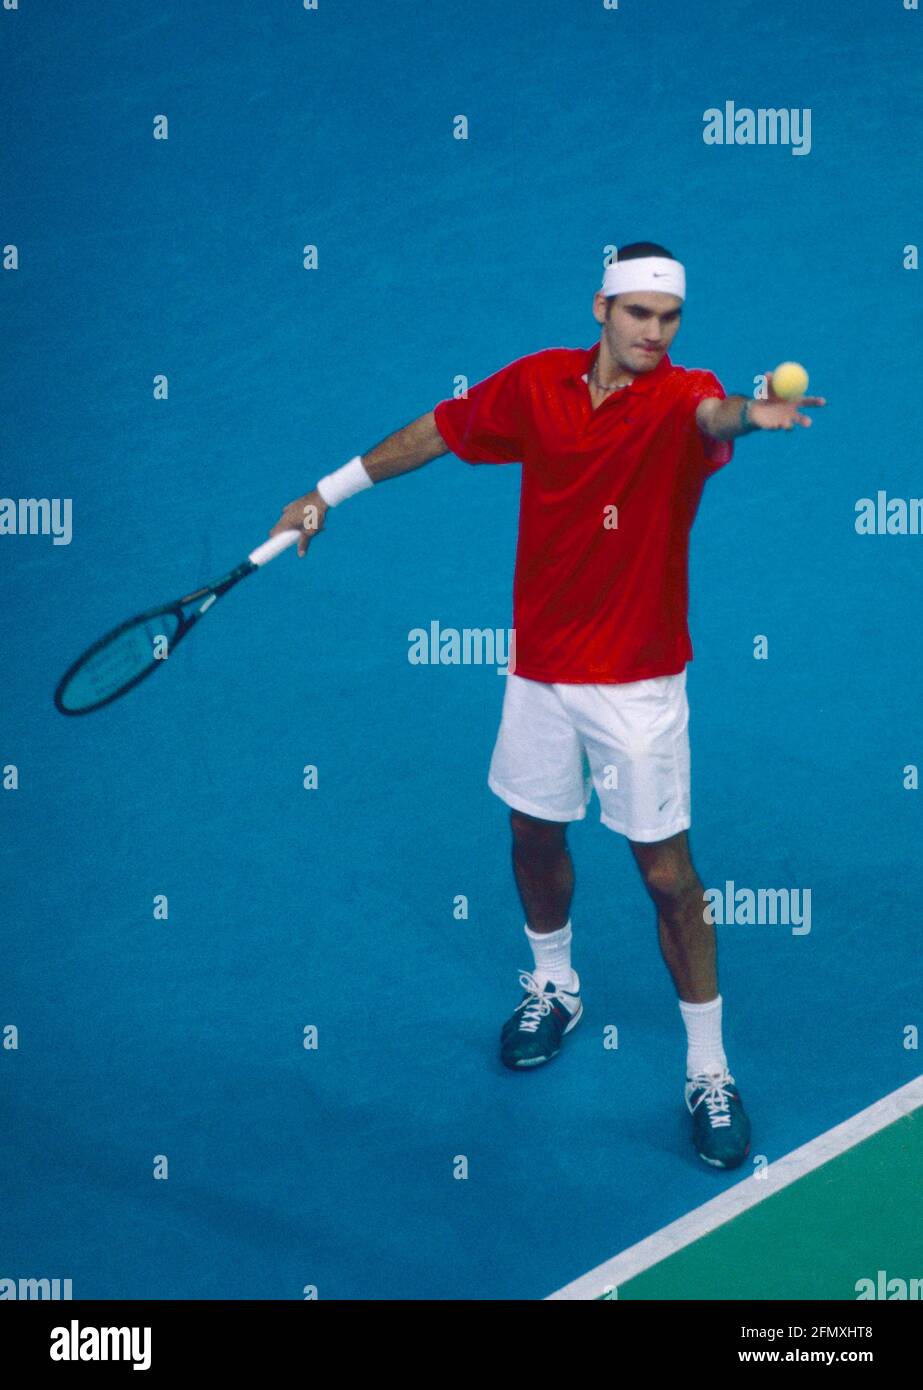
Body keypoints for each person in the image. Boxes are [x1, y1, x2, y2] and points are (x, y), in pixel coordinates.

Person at [270, 241, 826, 1170]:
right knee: (532, 832)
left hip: (638, 680)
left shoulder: (683, 398)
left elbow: (715, 413)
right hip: (538, 671)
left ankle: (708, 1068)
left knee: (667, 878)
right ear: (601, 309)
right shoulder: (536, 385)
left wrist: (752, 414)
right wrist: (325, 494)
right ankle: (555, 985)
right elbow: (442, 429)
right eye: (639, 313)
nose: (655, 331)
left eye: (669, 317)